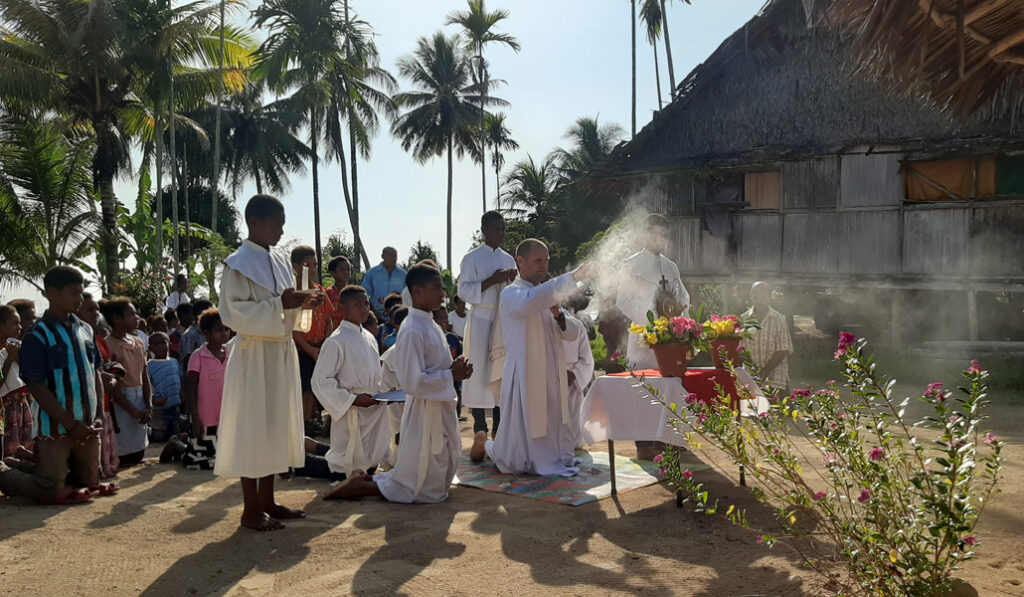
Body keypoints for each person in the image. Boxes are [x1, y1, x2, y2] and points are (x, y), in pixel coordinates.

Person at [216, 194, 322, 532]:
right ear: (255, 223)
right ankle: (250, 509)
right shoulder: (237, 264)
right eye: (276, 224)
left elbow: (288, 309)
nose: (281, 231)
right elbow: (233, 314)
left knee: (276, 426)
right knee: (254, 430)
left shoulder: (278, 260)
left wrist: (303, 304)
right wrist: (282, 303)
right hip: (254, 354)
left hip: (279, 353)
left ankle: (268, 501)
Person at [323, 263, 472, 502]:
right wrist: (450, 375)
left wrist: (458, 370)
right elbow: (412, 381)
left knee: (440, 471)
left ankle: (366, 481)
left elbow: (436, 368)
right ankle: (360, 487)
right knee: (422, 486)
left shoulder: (431, 324)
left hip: (440, 406)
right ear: (417, 291)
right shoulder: (412, 329)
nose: (442, 293)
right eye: (436, 288)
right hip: (425, 412)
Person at [473, 239, 592, 476]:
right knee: (515, 459)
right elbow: (530, 302)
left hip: (552, 375)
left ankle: (552, 459)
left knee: (552, 428)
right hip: (525, 376)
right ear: (520, 261)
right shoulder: (512, 293)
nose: (544, 266)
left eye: (546, 261)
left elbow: (570, 333)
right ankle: (485, 444)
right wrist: (573, 277)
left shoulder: (544, 295)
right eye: (538, 261)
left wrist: (558, 315)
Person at [19, 266, 109, 502]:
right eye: (73, 293)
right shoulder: (37, 335)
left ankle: (41, 470)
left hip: (88, 427)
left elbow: (95, 373)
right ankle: (5, 473)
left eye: (81, 293)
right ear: (52, 293)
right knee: (49, 490)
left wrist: (99, 414)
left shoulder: (86, 330)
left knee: (88, 484)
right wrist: (69, 423)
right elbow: (36, 386)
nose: (80, 299)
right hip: (55, 430)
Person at [312, 285, 391, 478]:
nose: (365, 308)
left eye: (366, 303)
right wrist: (352, 400)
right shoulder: (335, 341)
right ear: (343, 307)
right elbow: (320, 381)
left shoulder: (370, 337)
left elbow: (376, 374)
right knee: (343, 466)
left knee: (369, 460)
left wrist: (385, 393)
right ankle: (297, 463)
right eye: (358, 304)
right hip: (352, 411)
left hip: (372, 408)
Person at [457, 210, 517, 439]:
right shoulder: (471, 258)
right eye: (496, 229)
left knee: (499, 367)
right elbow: (463, 291)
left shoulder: (508, 258)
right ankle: (479, 423)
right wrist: (494, 279)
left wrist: (510, 279)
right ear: (484, 230)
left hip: (502, 319)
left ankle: (499, 425)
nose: (500, 233)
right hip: (481, 318)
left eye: (503, 229)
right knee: (479, 369)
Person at [617, 213, 690, 370]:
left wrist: (684, 331)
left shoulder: (671, 266)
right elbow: (624, 301)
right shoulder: (631, 265)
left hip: (672, 339)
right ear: (645, 234)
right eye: (656, 234)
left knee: (672, 383)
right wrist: (653, 324)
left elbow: (684, 298)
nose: (660, 239)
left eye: (663, 234)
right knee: (644, 387)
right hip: (643, 337)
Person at [290, 245, 337, 433]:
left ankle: (311, 420)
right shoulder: (292, 293)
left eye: (315, 264)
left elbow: (328, 319)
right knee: (303, 386)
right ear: (296, 266)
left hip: (320, 347)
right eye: (306, 264)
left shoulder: (320, 291)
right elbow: (293, 329)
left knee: (315, 385)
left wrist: (326, 344)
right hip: (301, 348)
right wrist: (310, 350)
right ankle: (302, 423)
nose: (312, 268)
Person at [101, 298, 153, 467]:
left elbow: (144, 375)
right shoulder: (108, 345)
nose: (137, 317)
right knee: (123, 451)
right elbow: (112, 386)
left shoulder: (138, 341)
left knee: (138, 450)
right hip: (121, 400)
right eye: (131, 314)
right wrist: (131, 409)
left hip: (139, 395)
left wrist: (149, 404)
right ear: (117, 319)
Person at [77, 293, 120, 479]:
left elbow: (106, 366)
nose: (95, 313)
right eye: (89, 309)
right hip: (84, 405)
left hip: (103, 401)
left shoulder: (99, 340)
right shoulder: (76, 339)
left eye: (96, 309)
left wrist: (112, 379)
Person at [186, 309, 231, 441]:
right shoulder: (198, 356)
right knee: (200, 459)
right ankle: (176, 446)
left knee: (221, 458)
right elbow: (191, 390)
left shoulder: (231, 355)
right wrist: (195, 419)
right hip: (205, 419)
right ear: (206, 333)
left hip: (226, 418)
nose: (224, 333)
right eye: (219, 330)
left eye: (226, 329)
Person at [742, 282, 793, 392]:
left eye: (763, 295)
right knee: (751, 409)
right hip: (751, 378)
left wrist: (764, 372)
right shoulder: (743, 320)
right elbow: (740, 350)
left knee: (780, 408)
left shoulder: (779, 319)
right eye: (756, 295)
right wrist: (754, 371)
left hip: (776, 379)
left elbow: (783, 349)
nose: (760, 299)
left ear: (769, 297)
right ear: (751, 296)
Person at [1, 304, 32, 458]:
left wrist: (16, 355)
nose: (19, 327)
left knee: (25, 444)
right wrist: (10, 357)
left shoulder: (13, 348)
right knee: (10, 449)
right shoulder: (5, 353)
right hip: (6, 405)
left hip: (21, 402)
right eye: (14, 323)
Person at [563, 306, 595, 450]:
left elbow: (587, 361)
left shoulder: (575, 325)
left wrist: (573, 375)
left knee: (574, 442)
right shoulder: (534, 323)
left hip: (570, 388)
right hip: (543, 388)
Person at [380, 306, 412, 445]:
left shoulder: (424, 350)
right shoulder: (391, 357)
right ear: (398, 328)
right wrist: (398, 429)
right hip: (401, 421)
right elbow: (388, 394)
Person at [147, 332, 182, 443]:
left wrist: (182, 393)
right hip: (160, 406)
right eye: (156, 344)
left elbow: (180, 378)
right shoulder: (149, 365)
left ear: (169, 344)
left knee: (175, 431)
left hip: (175, 403)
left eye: (163, 343)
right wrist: (153, 400)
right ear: (150, 348)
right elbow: (146, 385)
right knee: (159, 437)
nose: (160, 346)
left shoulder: (174, 362)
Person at [362, 247, 407, 319]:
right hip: (377, 315)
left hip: (398, 315)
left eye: (395, 255)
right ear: (382, 256)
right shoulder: (373, 273)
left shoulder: (403, 274)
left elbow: (408, 294)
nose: (393, 258)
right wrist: (371, 310)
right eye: (390, 255)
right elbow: (364, 292)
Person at [325, 255, 352, 329]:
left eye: (348, 269)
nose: (346, 272)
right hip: (333, 333)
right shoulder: (328, 293)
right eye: (342, 270)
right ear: (332, 273)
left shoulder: (353, 293)